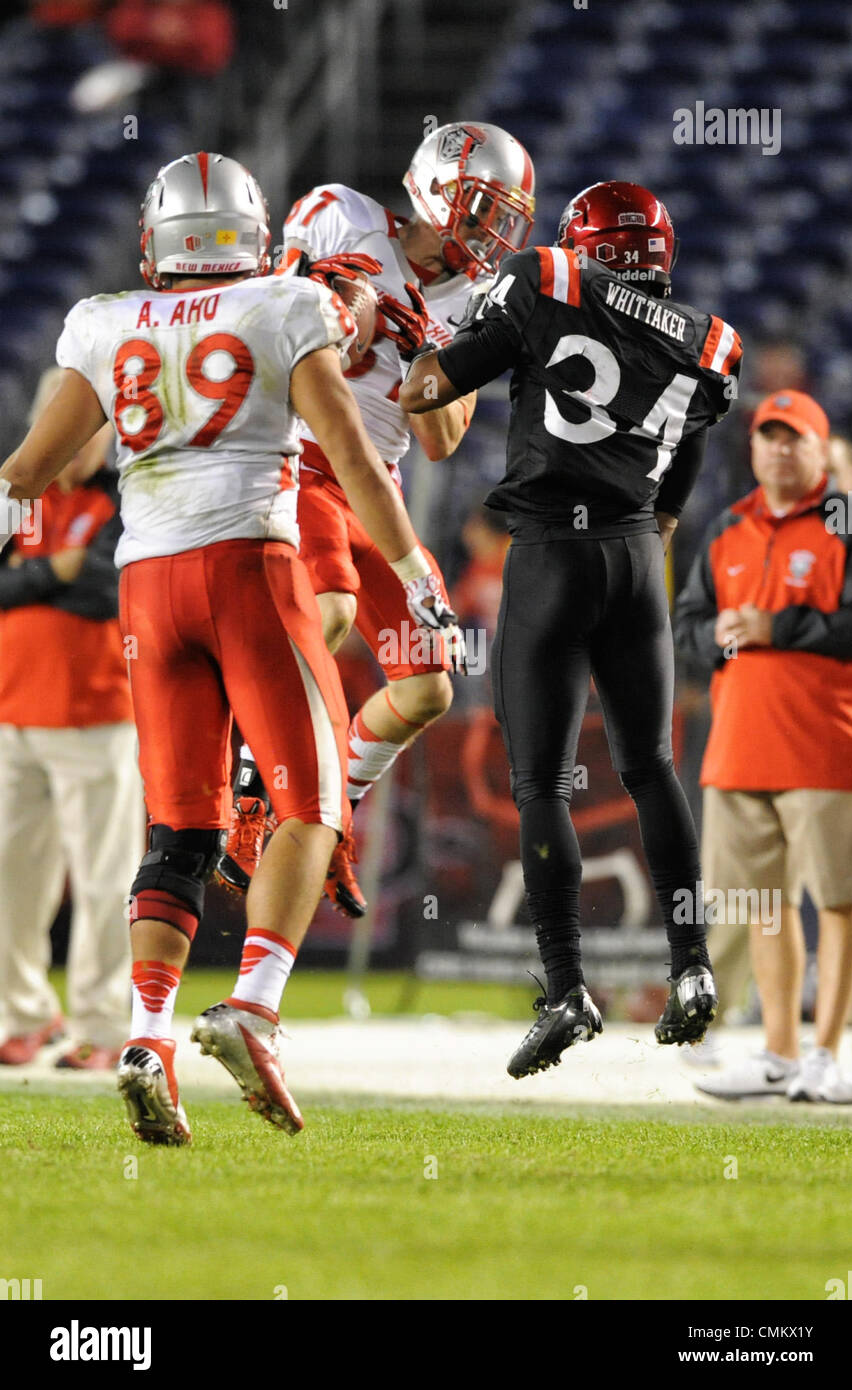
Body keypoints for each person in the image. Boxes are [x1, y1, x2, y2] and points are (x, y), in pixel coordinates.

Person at [0, 151, 458, 1144]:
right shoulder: (284, 304)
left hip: (144, 588)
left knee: (179, 833)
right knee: (317, 800)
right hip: (247, 567)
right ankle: (251, 1005)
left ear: (154, 237)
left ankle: (146, 1036)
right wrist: (414, 568)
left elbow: (27, 474)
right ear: (250, 235)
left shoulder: (100, 318)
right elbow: (346, 447)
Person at [400, 180, 742, 1078]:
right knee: (650, 769)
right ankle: (693, 968)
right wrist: (645, 537)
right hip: (634, 558)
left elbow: (428, 386)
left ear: (582, 241)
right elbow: (688, 460)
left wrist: (418, 342)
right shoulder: (711, 340)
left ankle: (564, 988)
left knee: (539, 782)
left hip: (549, 554)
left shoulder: (546, 275)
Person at [215, 122, 536, 917]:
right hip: (304, 462)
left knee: (427, 685)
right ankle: (250, 793)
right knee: (328, 613)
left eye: (505, 217)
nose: (491, 232)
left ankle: (335, 809)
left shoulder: (478, 298)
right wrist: (334, 296)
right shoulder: (340, 216)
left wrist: (428, 342)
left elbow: (441, 438)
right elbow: (257, 322)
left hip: (376, 487)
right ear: (436, 188)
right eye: (482, 209)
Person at [674, 389, 852, 1103]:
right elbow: (685, 623)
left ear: (820, 450)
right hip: (739, 744)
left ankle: (828, 1053)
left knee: (840, 903)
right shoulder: (727, 527)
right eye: (768, 437)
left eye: (796, 438)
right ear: (751, 448)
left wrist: (773, 628)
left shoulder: (849, 519)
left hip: (826, 744)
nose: (780, 450)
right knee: (759, 903)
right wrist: (714, 637)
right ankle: (780, 1052)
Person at [0, 370, 144, 1070]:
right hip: (11, 709)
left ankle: (101, 1025)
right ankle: (23, 1016)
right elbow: (66, 577)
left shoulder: (126, 495)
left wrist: (32, 581)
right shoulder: (16, 497)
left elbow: (103, 586)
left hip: (99, 711)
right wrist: (49, 573)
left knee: (103, 878)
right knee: (9, 875)